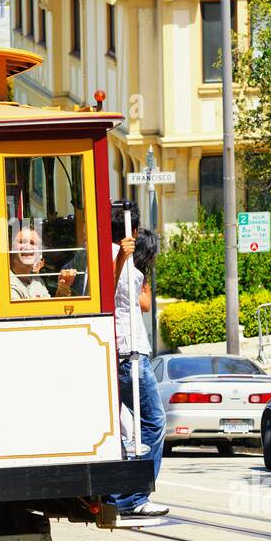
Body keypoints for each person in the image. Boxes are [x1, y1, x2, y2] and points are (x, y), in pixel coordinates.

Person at [108, 203, 167, 517]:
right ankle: (134, 497)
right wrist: (121, 257)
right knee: (154, 423)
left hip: (130, 351)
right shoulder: (114, 255)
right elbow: (102, 292)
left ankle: (120, 495)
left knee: (127, 431)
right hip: (128, 353)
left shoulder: (127, 260)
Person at [9, 226, 76, 300]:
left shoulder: (36, 280)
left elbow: (52, 309)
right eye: (22, 242)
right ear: (10, 247)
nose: (28, 247)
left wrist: (63, 289)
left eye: (33, 243)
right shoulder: (5, 282)